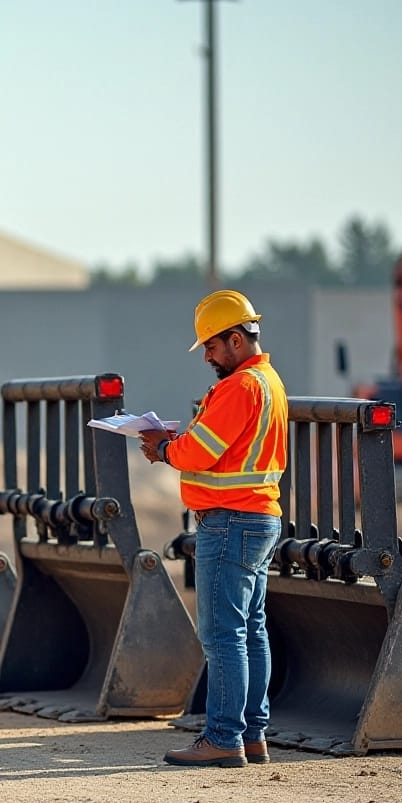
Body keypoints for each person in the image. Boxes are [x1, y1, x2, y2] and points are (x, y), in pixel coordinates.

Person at [139, 290, 288, 769]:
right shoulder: (269, 382)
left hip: (229, 521)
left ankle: (224, 737)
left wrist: (163, 447)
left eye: (211, 345)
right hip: (258, 518)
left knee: (223, 635)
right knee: (252, 631)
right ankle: (253, 734)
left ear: (238, 339)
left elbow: (199, 452)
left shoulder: (239, 387)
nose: (206, 355)